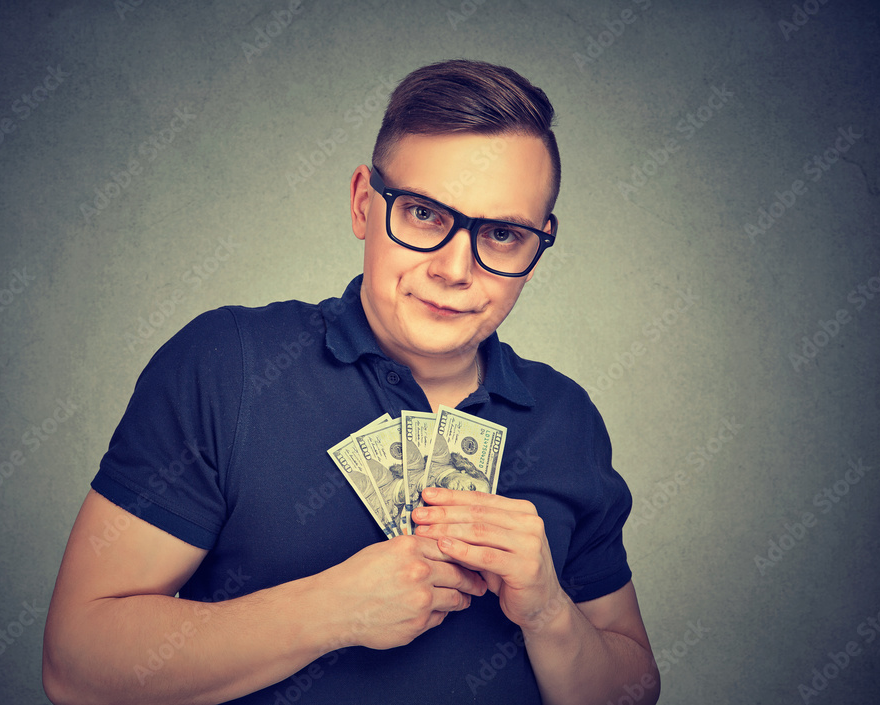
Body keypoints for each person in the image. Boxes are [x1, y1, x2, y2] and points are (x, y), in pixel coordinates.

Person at [42, 59, 660, 705]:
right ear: (365, 202)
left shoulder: (568, 418)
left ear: (539, 245)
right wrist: (329, 611)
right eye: (423, 213)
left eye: (503, 234)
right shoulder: (226, 366)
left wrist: (551, 613)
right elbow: (76, 666)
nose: (455, 269)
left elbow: (635, 690)